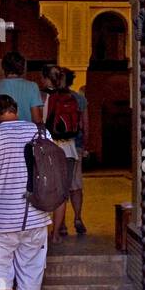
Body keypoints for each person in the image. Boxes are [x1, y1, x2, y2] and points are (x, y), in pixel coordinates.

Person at [0, 94, 52, 290]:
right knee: (31, 268)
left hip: (4, 217)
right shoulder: (39, 132)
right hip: (37, 215)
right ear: (15, 110)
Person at [41, 64, 81, 243]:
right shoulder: (71, 97)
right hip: (70, 149)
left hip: (50, 149)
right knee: (62, 193)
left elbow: (39, 122)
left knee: (46, 190)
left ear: (46, 79)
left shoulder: (44, 97)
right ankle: (57, 233)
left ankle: (45, 232)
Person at [63, 67, 88, 236]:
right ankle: (78, 218)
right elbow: (86, 125)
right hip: (75, 144)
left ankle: (61, 224)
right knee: (76, 184)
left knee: (60, 185)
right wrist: (85, 146)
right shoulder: (80, 99)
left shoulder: (50, 97)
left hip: (56, 146)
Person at [0, 48, 43, 124]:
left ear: (3, 68)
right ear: (22, 68)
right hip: (27, 134)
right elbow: (36, 119)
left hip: (4, 133)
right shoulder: (32, 86)